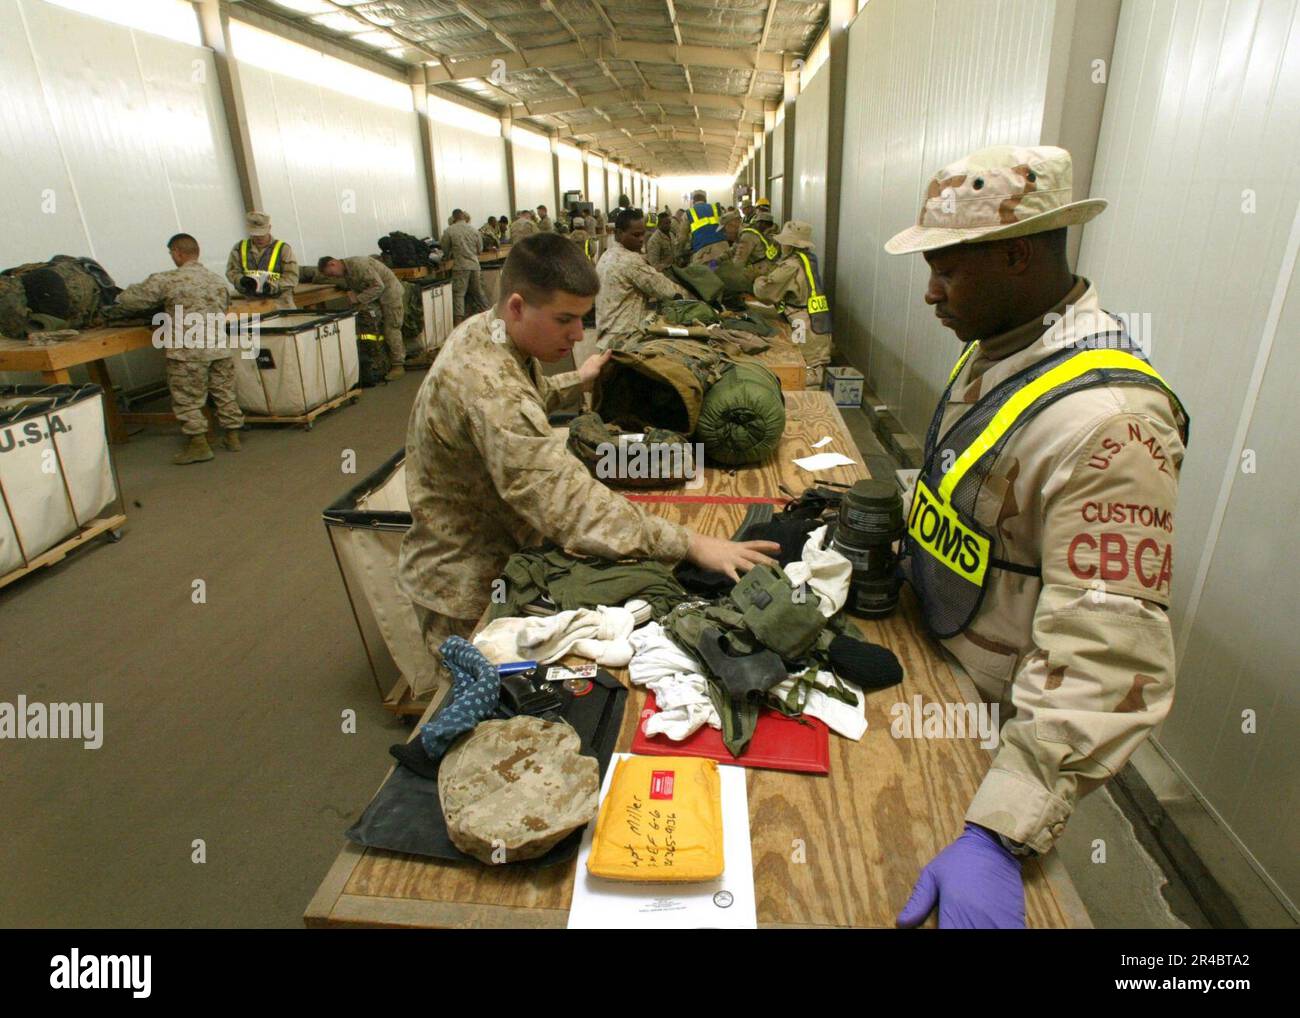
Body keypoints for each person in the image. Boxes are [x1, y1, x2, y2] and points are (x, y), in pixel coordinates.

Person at [883, 145, 1187, 930]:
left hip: (994, 736)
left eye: (946, 269)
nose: (930, 292)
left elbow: (1105, 657)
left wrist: (999, 831)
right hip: (927, 664)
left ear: (1017, 256)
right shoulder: (1000, 351)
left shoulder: (1109, 424)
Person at [396, 233, 779, 682]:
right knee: (482, 718)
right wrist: (692, 544)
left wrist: (578, 378)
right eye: (565, 320)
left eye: (582, 319)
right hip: (467, 590)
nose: (579, 333)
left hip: (500, 556)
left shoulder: (490, 331)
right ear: (517, 306)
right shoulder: (488, 387)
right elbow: (566, 503)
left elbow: (526, 396)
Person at [118, 234, 242, 464]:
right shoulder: (217, 280)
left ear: (177, 252)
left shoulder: (167, 280)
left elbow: (130, 301)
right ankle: (233, 437)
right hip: (220, 348)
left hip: (189, 352)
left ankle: (198, 445)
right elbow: (224, 307)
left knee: (188, 398)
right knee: (224, 392)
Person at [752, 220, 833, 383]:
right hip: (815, 322)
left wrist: (758, 279)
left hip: (803, 325)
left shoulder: (791, 265)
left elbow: (765, 292)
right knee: (811, 365)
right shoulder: (808, 258)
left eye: (784, 243)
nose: (781, 246)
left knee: (805, 368)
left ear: (790, 245)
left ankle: (809, 404)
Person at [595, 208, 686, 350]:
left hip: (605, 337)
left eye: (643, 234)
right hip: (625, 341)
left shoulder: (606, 256)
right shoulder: (630, 260)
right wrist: (691, 298)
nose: (641, 239)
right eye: (636, 235)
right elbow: (666, 289)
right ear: (618, 233)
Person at [317, 253, 406, 380]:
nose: (333, 277)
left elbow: (378, 286)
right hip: (378, 298)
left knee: (391, 329)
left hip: (390, 296)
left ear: (333, 263)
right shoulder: (346, 270)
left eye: (331, 273)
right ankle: (383, 362)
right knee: (376, 328)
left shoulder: (358, 265)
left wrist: (358, 299)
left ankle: (398, 365)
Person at [226, 211, 298, 309]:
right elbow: (232, 272)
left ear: (269, 228)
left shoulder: (283, 249)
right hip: (253, 304)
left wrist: (271, 286)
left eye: (262, 233)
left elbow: (291, 278)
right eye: (255, 234)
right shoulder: (239, 248)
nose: (259, 237)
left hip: (281, 304)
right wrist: (241, 280)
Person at [438, 209, 488, 324]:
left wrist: (449, 255)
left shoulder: (449, 230)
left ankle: (458, 324)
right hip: (475, 266)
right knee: (479, 293)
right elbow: (480, 250)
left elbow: (445, 249)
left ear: (453, 218)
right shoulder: (474, 230)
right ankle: (490, 318)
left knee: (459, 294)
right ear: (464, 217)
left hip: (460, 267)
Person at [730, 209, 779, 274]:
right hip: (768, 265)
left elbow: (738, 261)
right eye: (768, 225)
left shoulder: (752, 235)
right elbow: (735, 251)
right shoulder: (753, 235)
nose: (768, 228)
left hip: (762, 269)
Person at [687, 189, 729, 267]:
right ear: (705, 200)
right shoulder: (716, 208)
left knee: (705, 275)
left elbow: (682, 238)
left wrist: (678, 252)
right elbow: (727, 226)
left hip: (704, 252)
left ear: (693, 201)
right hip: (722, 248)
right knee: (725, 273)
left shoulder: (689, 213)